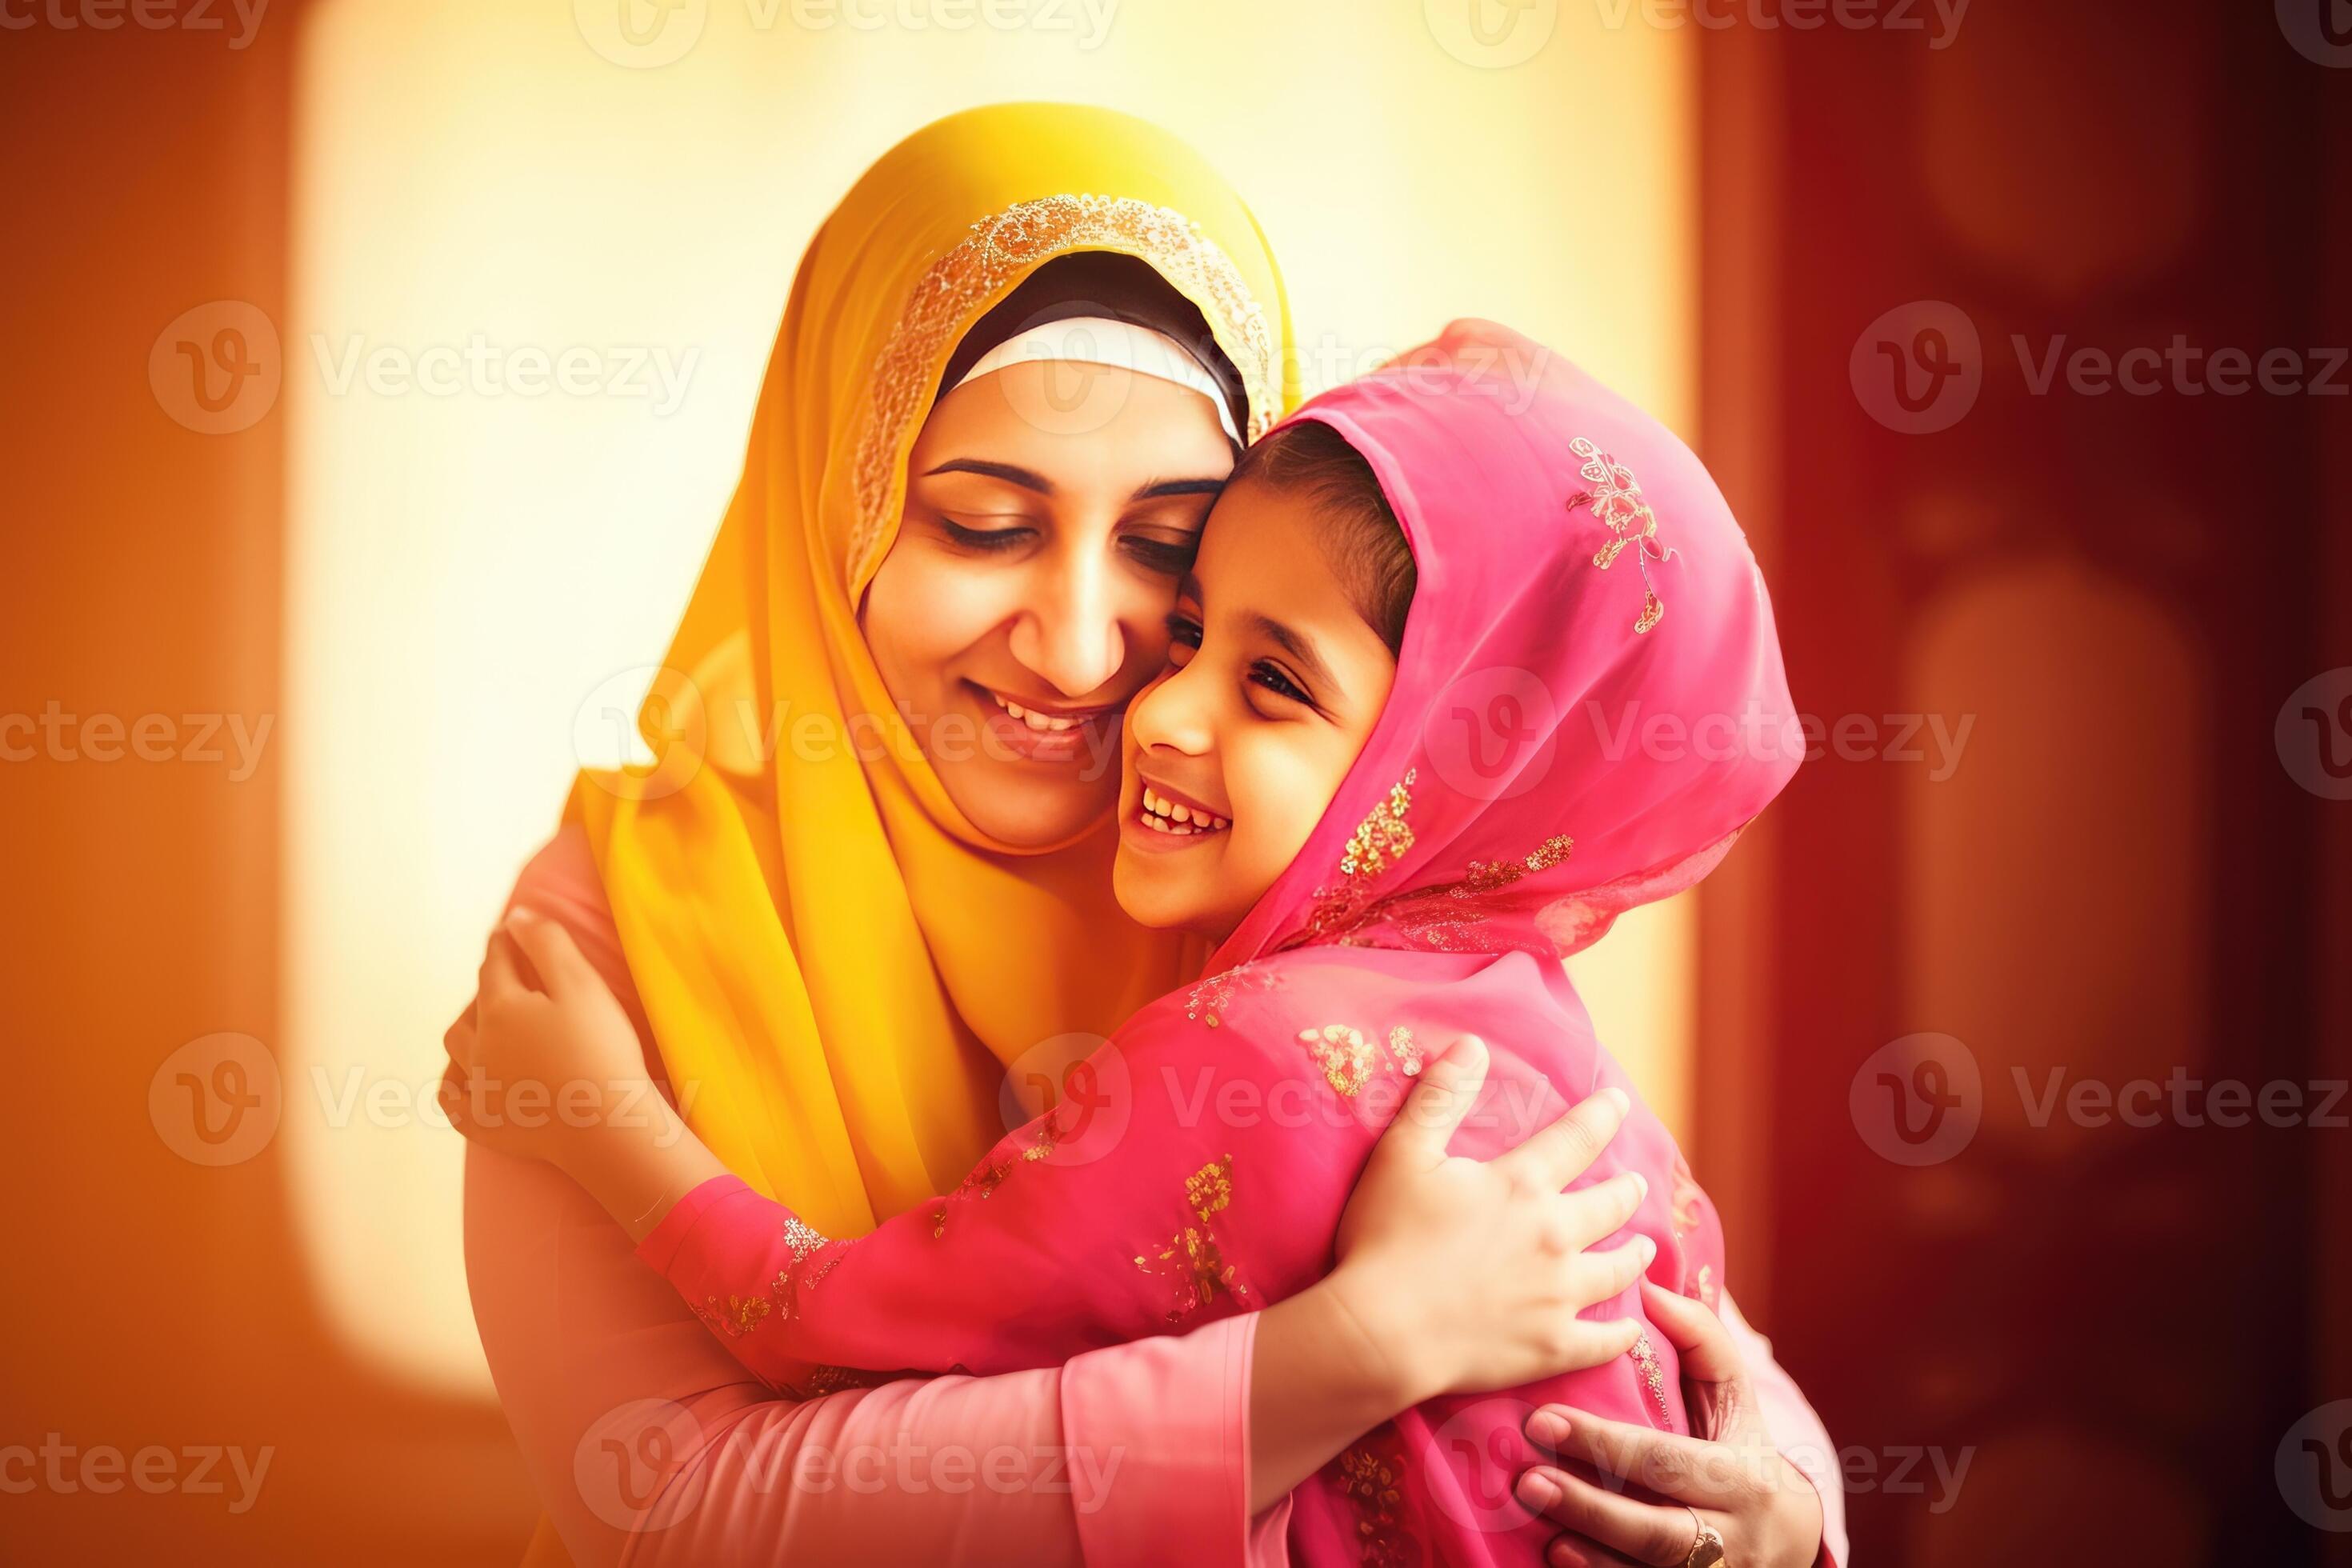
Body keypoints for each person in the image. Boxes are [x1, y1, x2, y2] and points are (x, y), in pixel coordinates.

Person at [450, 106, 1845, 1566]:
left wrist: (1776, 1508)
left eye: (1171, 557)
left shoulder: (1317, 870)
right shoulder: (606, 932)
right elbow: (672, 1507)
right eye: (984, 524)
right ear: (836, 506)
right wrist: (1341, 1360)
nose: (1076, 652)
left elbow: (1673, 1320)